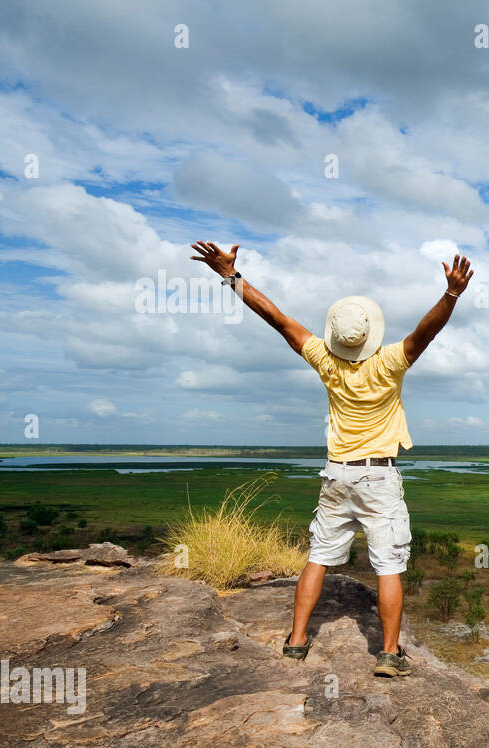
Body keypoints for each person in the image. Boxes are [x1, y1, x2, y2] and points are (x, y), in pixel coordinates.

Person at [189, 241, 473, 676]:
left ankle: (296, 641)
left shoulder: (324, 359)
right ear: (371, 333)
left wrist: (231, 276)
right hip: (378, 477)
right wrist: (451, 293)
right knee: (389, 566)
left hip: (336, 475)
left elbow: (277, 318)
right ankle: (388, 654)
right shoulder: (391, 363)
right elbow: (426, 332)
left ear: (336, 335)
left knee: (318, 557)